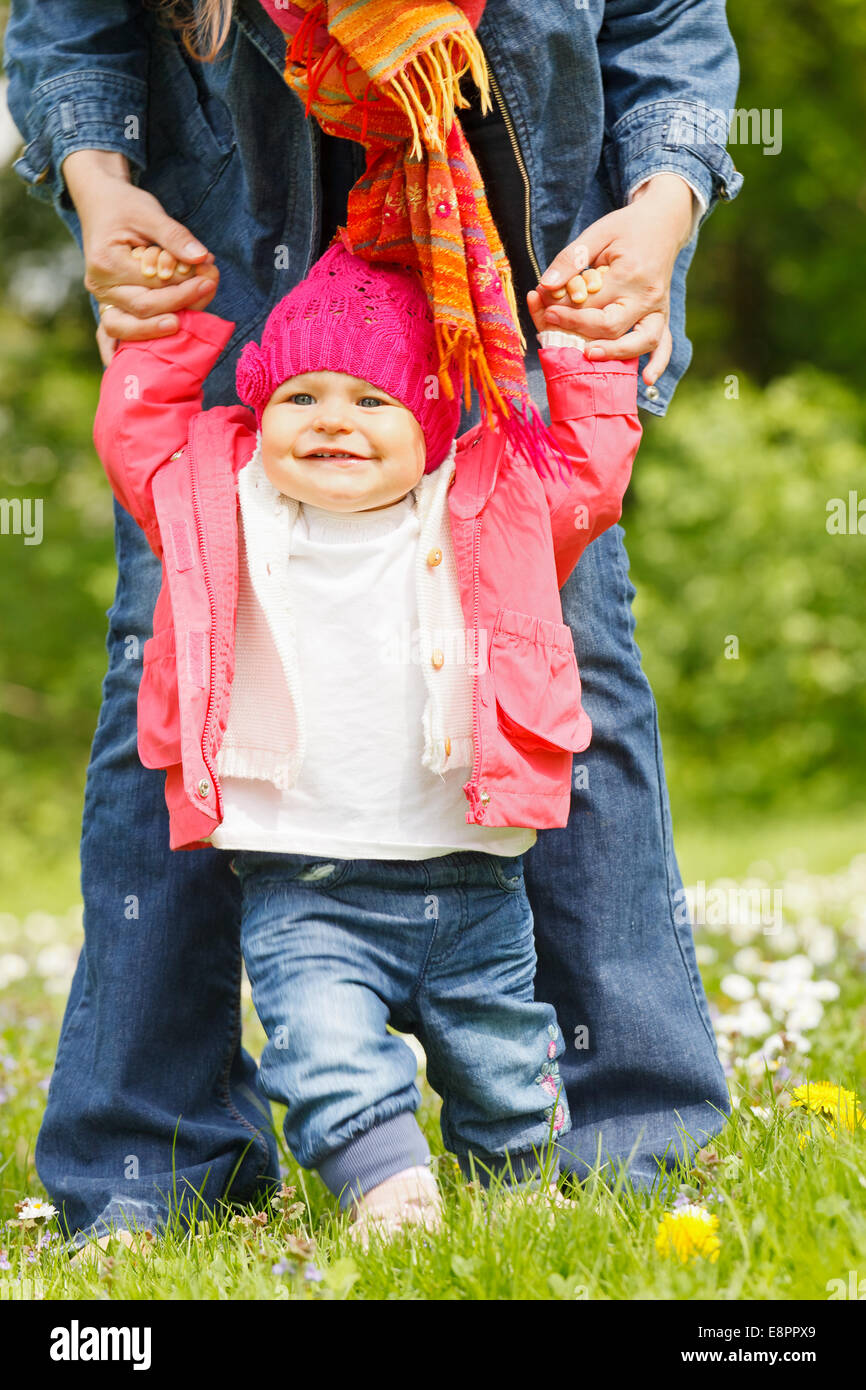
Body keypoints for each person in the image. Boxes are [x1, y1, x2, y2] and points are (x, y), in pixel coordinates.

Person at [4, 0, 743, 1249]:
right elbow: (70, 20)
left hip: (505, 293)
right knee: (178, 670)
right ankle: (150, 1152)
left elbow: (667, 23)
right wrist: (99, 182)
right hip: (231, 286)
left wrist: (656, 215)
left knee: (567, 664)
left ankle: (625, 1133)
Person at [93, 233, 641, 1243]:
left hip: (472, 884)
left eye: (371, 400)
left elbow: (592, 474)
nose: (331, 421)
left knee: (504, 1065)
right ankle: (391, 1202)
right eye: (299, 399)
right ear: (258, 417)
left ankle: (516, 1202)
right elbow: (137, 438)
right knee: (323, 1053)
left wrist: (583, 353)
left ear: (430, 425)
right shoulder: (224, 502)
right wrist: (157, 333)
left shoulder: (489, 499)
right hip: (303, 886)